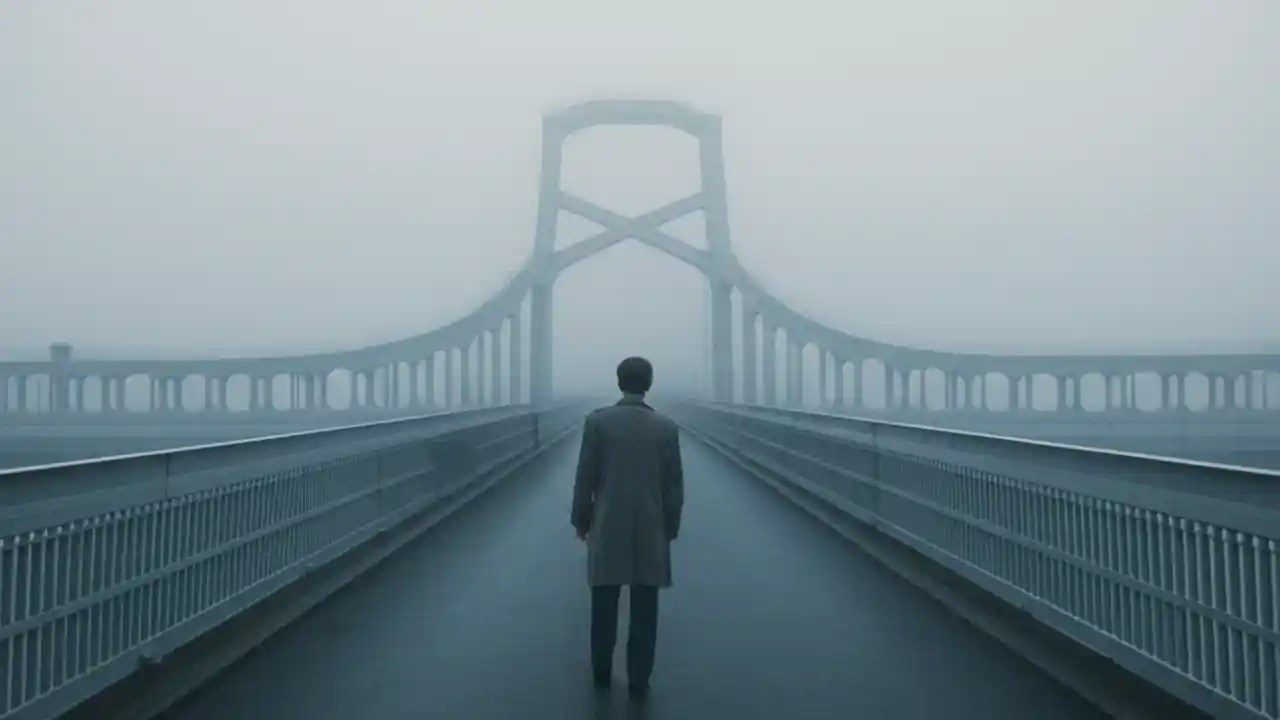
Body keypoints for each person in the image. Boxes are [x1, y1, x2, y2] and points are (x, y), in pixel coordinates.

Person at [571, 356, 684, 700]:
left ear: (619, 382)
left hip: (607, 524)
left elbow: (585, 477)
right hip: (651, 526)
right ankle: (638, 679)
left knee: (604, 603)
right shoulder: (666, 428)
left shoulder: (597, 423)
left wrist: (581, 520)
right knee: (645, 609)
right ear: (649, 383)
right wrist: (671, 527)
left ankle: (602, 674)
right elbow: (673, 488)